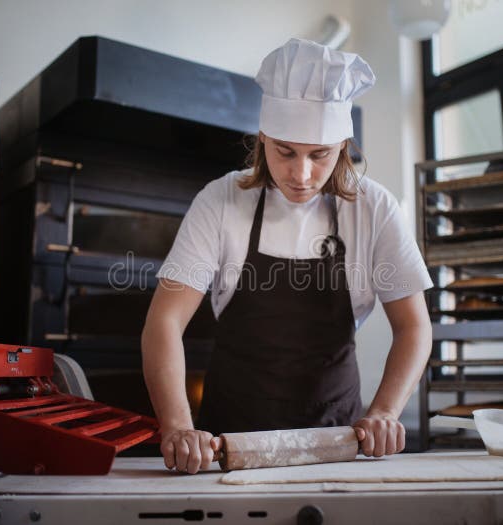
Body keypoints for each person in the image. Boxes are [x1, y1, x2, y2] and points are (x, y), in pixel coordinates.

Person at [141, 38, 432, 474]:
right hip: (228, 446)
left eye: (319, 155)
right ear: (263, 140)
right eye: (285, 151)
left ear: (343, 145)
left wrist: (386, 411)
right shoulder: (220, 200)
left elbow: (413, 326)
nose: (301, 174)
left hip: (334, 441)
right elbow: (164, 321)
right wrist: (178, 427)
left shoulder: (374, 208)